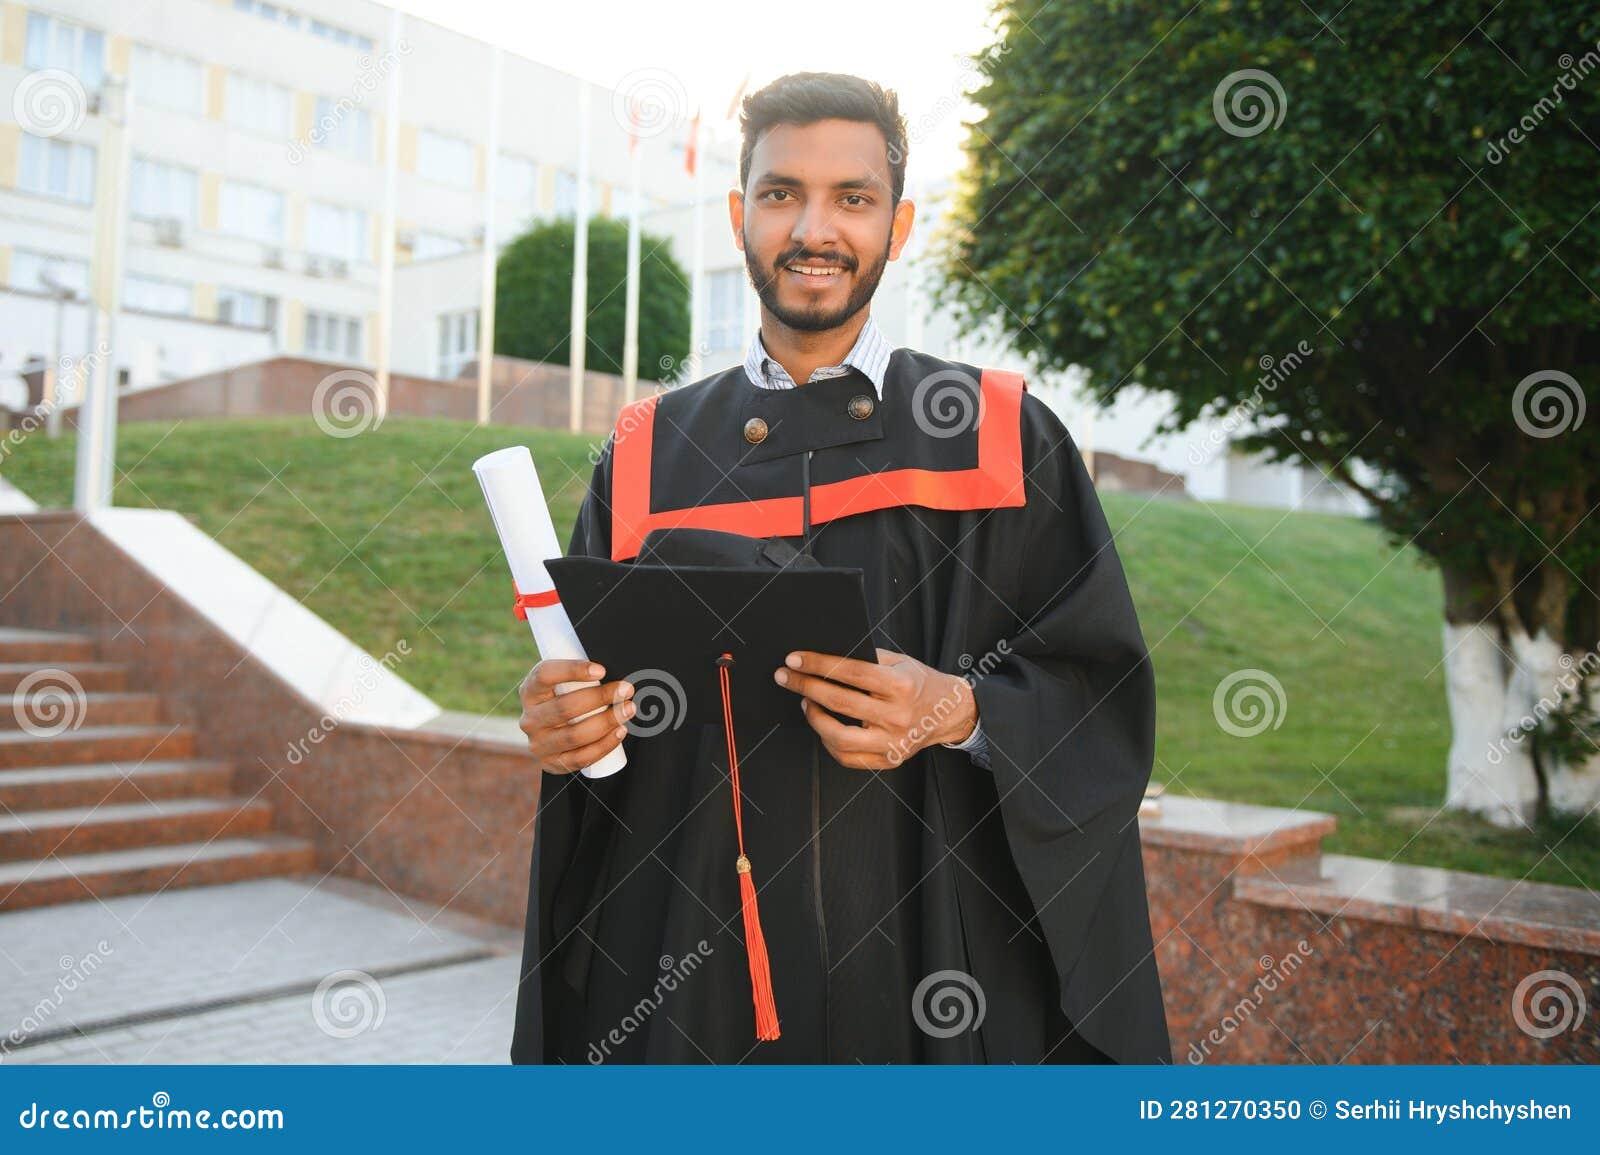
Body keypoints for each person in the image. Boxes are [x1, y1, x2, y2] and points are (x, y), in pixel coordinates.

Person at [512, 72, 1170, 1064]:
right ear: (739, 215)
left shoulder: (997, 438)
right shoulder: (651, 455)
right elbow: (604, 714)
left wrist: (954, 708)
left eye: (851, 198)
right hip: (697, 971)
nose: (812, 228)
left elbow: (1097, 694)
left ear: (898, 226)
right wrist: (566, 725)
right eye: (781, 193)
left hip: (934, 963)